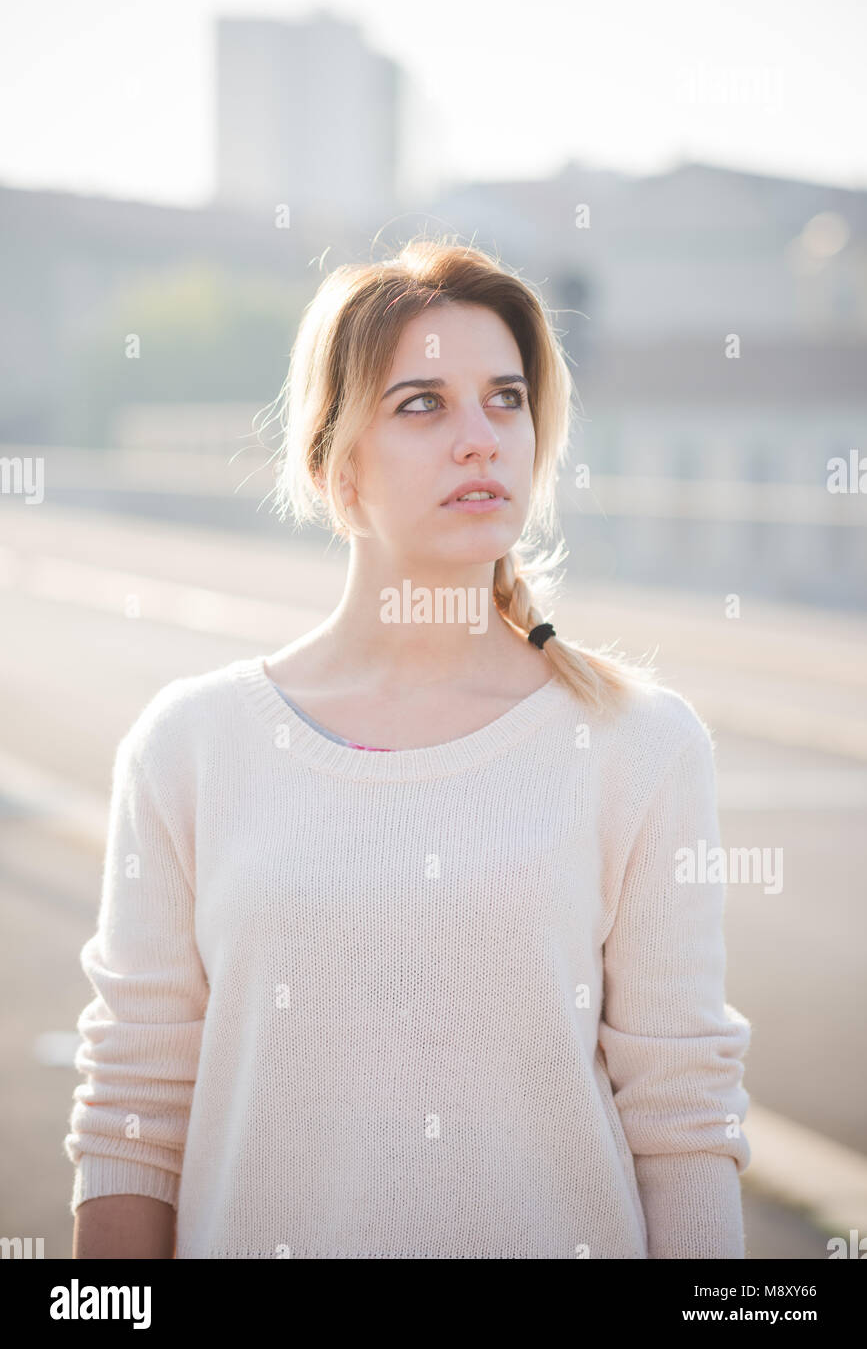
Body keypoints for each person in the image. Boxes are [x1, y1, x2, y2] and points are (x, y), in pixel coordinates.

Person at [65, 236, 751, 1259]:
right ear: (334, 462)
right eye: (422, 402)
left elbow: (684, 1118)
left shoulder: (641, 745)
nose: (480, 438)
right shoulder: (188, 747)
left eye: (506, 399)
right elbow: (134, 1109)